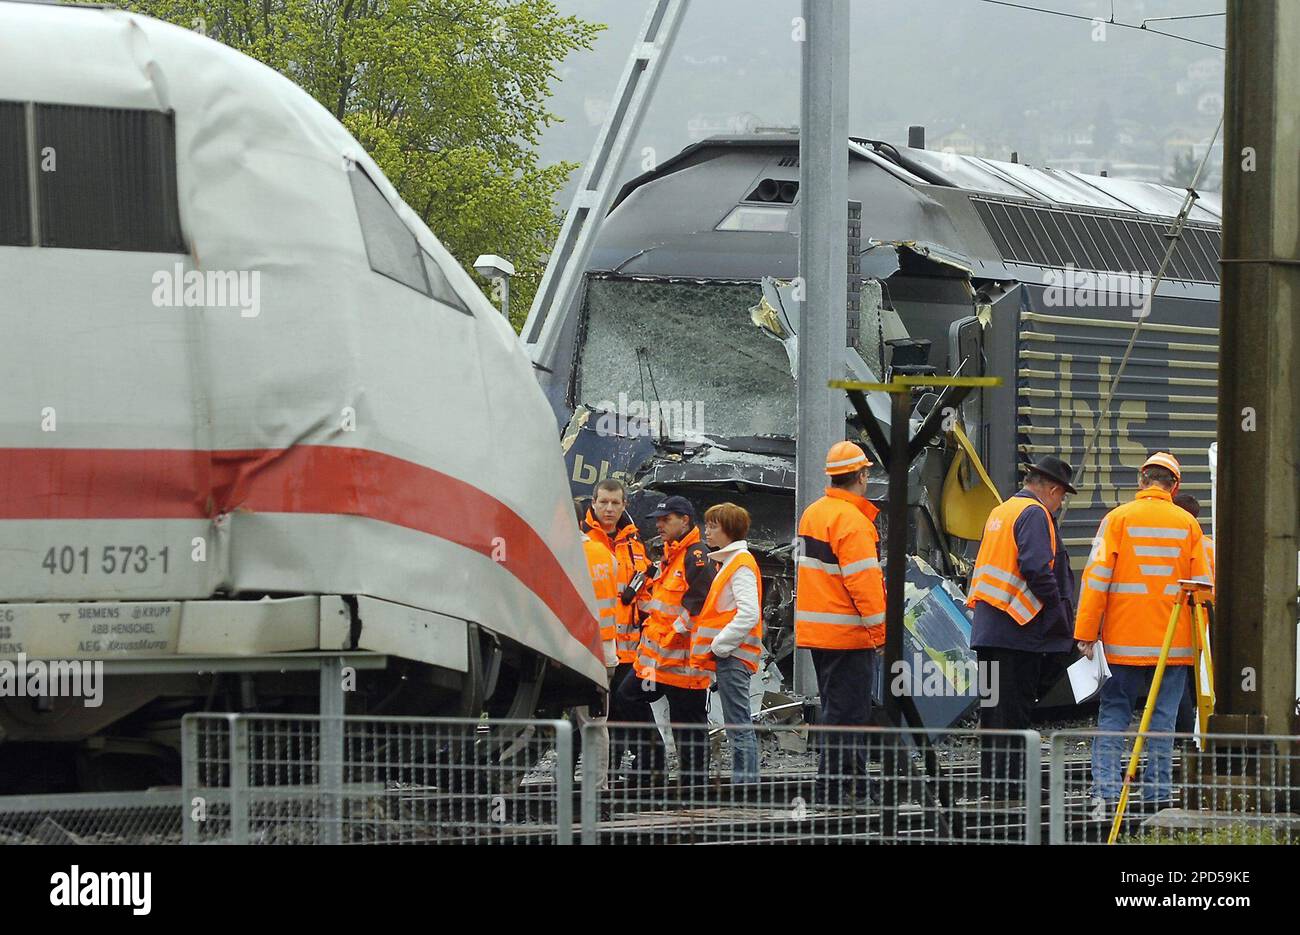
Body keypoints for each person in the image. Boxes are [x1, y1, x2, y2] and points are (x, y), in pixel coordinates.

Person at [1075, 452, 1211, 812]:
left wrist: (1087, 632)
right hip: (1174, 645)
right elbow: (1203, 588)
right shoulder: (1188, 526)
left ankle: (1105, 793)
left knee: (1114, 715)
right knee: (1162, 721)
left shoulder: (1117, 519)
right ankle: (1158, 797)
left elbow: (1095, 580)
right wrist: (1200, 647)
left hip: (1123, 644)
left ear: (1142, 480)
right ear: (1175, 486)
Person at [967, 455, 1078, 786]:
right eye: (1061, 497)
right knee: (1014, 714)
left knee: (993, 713)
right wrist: (1057, 609)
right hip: (1017, 631)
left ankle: (993, 785)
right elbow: (1035, 566)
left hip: (987, 630)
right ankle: (1012, 788)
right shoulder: (1035, 513)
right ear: (1054, 490)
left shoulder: (1001, 511)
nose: (1059, 506)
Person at [795, 441, 886, 806]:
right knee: (847, 715)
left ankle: (859, 787)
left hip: (820, 633)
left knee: (842, 710)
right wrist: (882, 634)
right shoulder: (854, 523)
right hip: (848, 633)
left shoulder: (813, 514)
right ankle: (828, 791)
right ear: (862, 475)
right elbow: (863, 584)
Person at [614, 494, 715, 787]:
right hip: (662, 660)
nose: (659, 525)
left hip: (684, 662)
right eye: (658, 520)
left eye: (665, 519)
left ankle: (694, 786)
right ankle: (655, 765)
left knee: (688, 724)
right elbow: (663, 606)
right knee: (628, 696)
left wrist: (671, 636)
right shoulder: (671, 555)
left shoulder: (696, 555)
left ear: (685, 520)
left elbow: (698, 606)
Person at [689, 502, 764, 788]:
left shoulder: (740, 565)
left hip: (732, 656)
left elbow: (749, 613)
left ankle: (745, 788)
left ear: (729, 531)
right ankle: (744, 785)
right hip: (731, 656)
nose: (706, 530)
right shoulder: (731, 563)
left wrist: (720, 645)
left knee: (738, 726)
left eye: (713, 526)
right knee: (738, 724)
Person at [582, 478, 650, 775]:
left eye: (615, 503)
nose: (609, 509)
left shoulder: (635, 545)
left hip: (629, 649)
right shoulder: (582, 540)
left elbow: (645, 592)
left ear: (624, 505)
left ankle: (633, 770)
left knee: (623, 711)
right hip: (593, 645)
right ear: (593, 503)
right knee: (595, 715)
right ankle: (599, 778)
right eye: (604, 502)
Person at [578, 519, 621, 790]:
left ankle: (594, 791)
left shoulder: (567, 554)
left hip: (581, 652)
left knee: (586, 723)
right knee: (595, 722)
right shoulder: (605, 553)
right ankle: (597, 787)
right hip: (606, 652)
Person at [1171, 491, 1211, 737]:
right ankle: (1203, 732)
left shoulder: (1179, 547)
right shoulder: (1211, 546)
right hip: (1205, 628)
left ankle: (1185, 734)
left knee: (1180, 686)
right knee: (1204, 687)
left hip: (1181, 625)